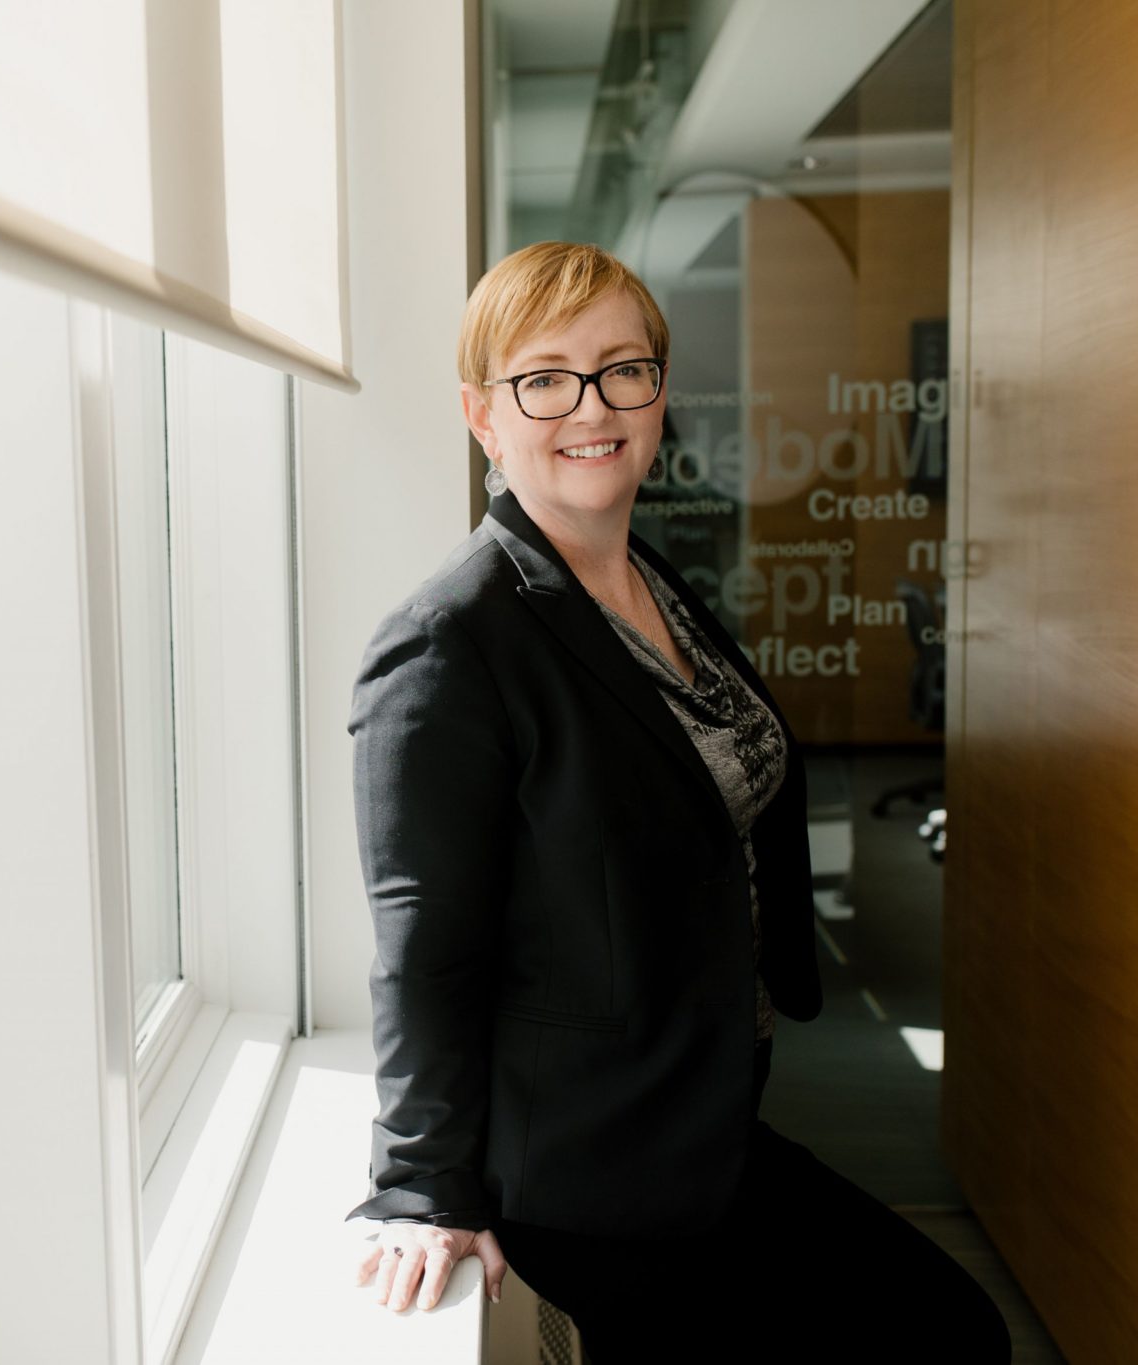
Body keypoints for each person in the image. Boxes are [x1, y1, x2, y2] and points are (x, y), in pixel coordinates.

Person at [343, 241, 1010, 1362]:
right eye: (543, 377)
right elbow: (424, 945)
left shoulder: (647, 578)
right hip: (590, 1171)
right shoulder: (445, 646)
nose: (589, 404)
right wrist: (419, 1185)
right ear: (482, 416)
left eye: (621, 368)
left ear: (657, 392)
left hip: (700, 1119)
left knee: (951, 1331)